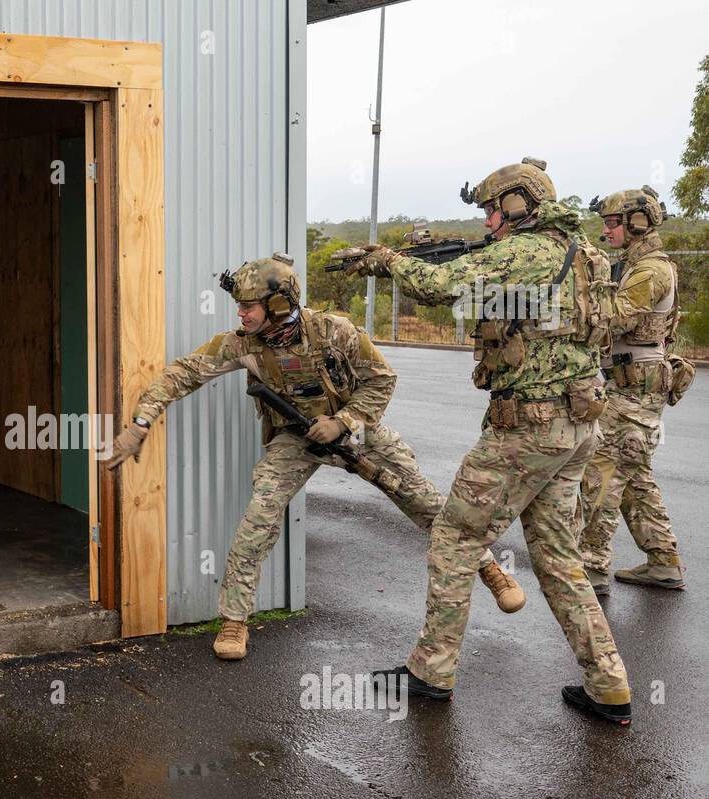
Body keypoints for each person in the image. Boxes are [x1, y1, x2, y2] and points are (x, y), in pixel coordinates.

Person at [106, 253, 524, 662]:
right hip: (294, 438)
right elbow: (183, 373)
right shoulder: (242, 344)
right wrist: (141, 423)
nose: (241, 315)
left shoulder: (334, 331)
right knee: (259, 519)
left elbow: (382, 380)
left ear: (278, 304)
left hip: (357, 432)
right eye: (239, 306)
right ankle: (234, 620)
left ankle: (488, 567)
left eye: (248, 307)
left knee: (426, 503)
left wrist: (342, 421)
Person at [349, 158, 633, 724]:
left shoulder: (525, 251)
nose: (487, 221)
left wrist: (383, 259)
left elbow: (439, 285)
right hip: (578, 425)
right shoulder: (589, 256)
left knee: (454, 535)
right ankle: (610, 686)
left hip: (528, 426)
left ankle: (431, 673)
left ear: (518, 203)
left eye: (491, 209)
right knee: (558, 559)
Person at [580, 187, 688, 594]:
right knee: (635, 478)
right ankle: (663, 561)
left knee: (601, 471)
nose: (606, 231)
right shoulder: (635, 265)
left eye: (611, 224)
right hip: (633, 387)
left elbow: (616, 318)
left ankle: (590, 567)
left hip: (634, 390)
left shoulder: (650, 271)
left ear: (636, 224)